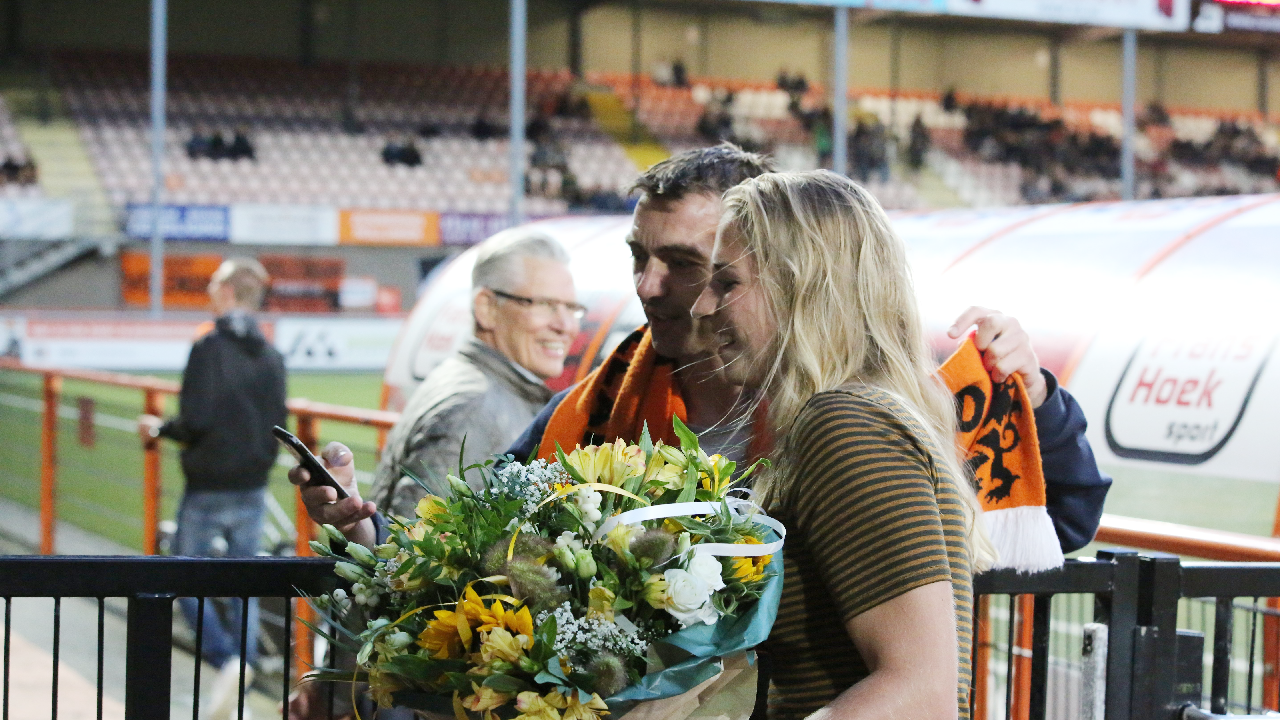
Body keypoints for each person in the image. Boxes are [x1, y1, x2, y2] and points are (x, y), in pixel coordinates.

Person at [296, 144, 1108, 555]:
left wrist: (1034, 397)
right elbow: (480, 530)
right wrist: (364, 532)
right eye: (636, 258)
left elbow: (1059, 518)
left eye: (686, 266)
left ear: (765, 264)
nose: (648, 287)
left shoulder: (870, 395)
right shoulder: (604, 397)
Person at [691, 169, 982, 718]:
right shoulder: (853, 416)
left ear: (801, 284)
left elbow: (921, 694)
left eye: (726, 283)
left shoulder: (843, 424)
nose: (700, 307)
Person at [138, 257, 285, 720]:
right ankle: (242, 673)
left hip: (206, 488)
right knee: (243, 586)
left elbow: (195, 420)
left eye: (213, 285)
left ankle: (228, 662)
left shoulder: (208, 350)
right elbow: (276, 427)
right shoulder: (272, 356)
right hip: (252, 486)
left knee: (184, 584)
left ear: (226, 293)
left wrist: (159, 429)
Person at [365, 229, 584, 524]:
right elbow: (414, 550)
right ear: (486, 308)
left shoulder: (482, 388)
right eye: (544, 304)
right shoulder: (474, 407)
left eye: (571, 308)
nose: (565, 325)